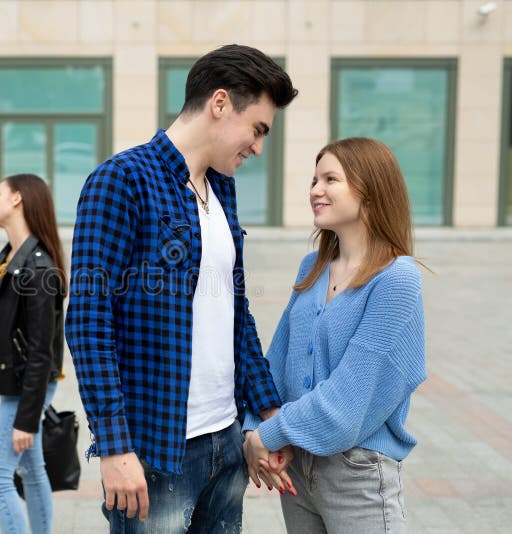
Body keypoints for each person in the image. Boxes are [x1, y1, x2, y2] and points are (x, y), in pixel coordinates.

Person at [65, 44, 299, 532]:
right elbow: (88, 320)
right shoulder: (122, 180)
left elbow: (235, 312)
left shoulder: (221, 189)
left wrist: (270, 410)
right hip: (156, 452)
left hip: (228, 441)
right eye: (258, 129)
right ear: (219, 104)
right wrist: (113, 446)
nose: (258, 147)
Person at [243, 137, 427, 533]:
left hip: (357, 474)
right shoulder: (313, 266)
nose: (315, 190)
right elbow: (276, 363)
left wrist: (268, 434)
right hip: (297, 468)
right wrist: (251, 429)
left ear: (371, 190)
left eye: (330, 179)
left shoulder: (397, 280)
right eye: (314, 180)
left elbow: (347, 404)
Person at [0, 174, 66, 534]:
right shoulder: (11, 255)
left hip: (24, 388)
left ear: (17, 199)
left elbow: (42, 353)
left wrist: (26, 418)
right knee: (32, 471)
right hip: (17, 383)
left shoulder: (39, 268)